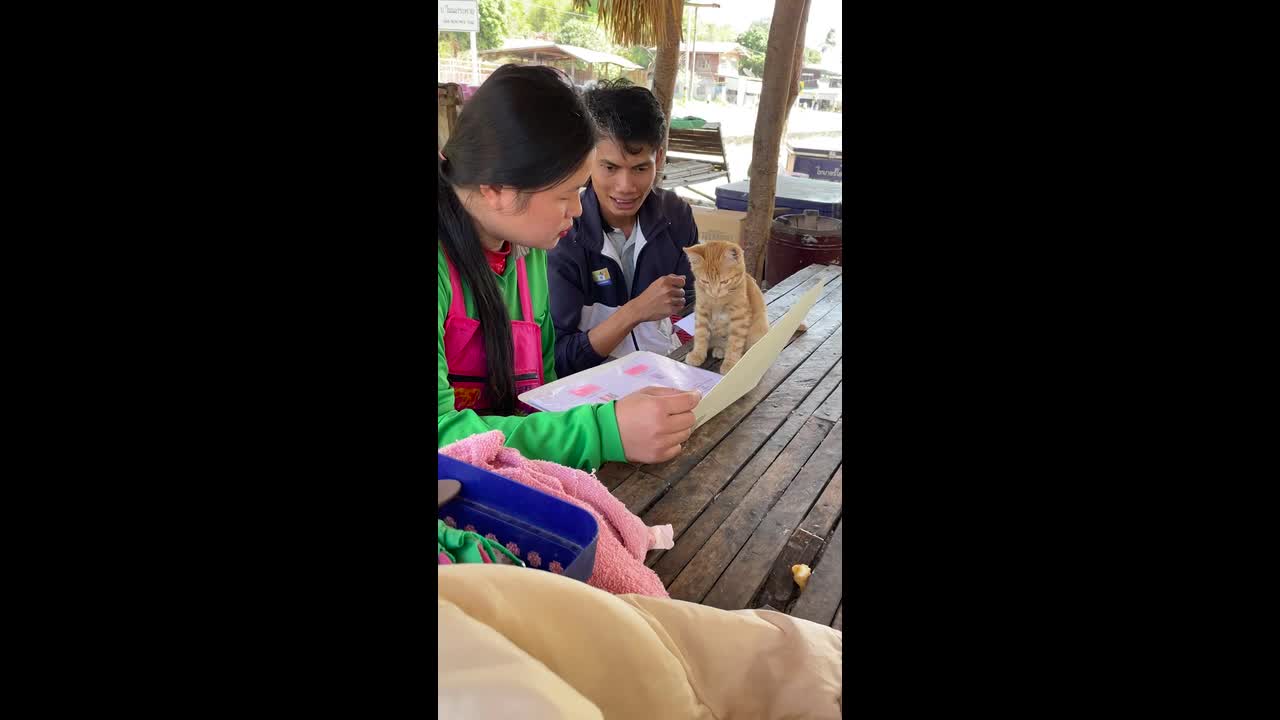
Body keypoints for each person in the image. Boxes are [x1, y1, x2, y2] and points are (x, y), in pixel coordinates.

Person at [437, 65, 700, 471]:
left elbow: (542, 393)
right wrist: (600, 431)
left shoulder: (528, 253)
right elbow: (443, 436)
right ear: (495, 190)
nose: (578, 210)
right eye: (566, 194)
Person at [548, 80, 700, 378]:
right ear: (586, 159)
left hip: (666, 379)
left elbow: (693, 307)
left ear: (658, 158)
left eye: (641, 168)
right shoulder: (562, 232)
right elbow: (557, 359)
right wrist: (634, 312)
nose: (626, 187)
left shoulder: (676, 216)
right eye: (610, 167)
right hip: (590, 401)